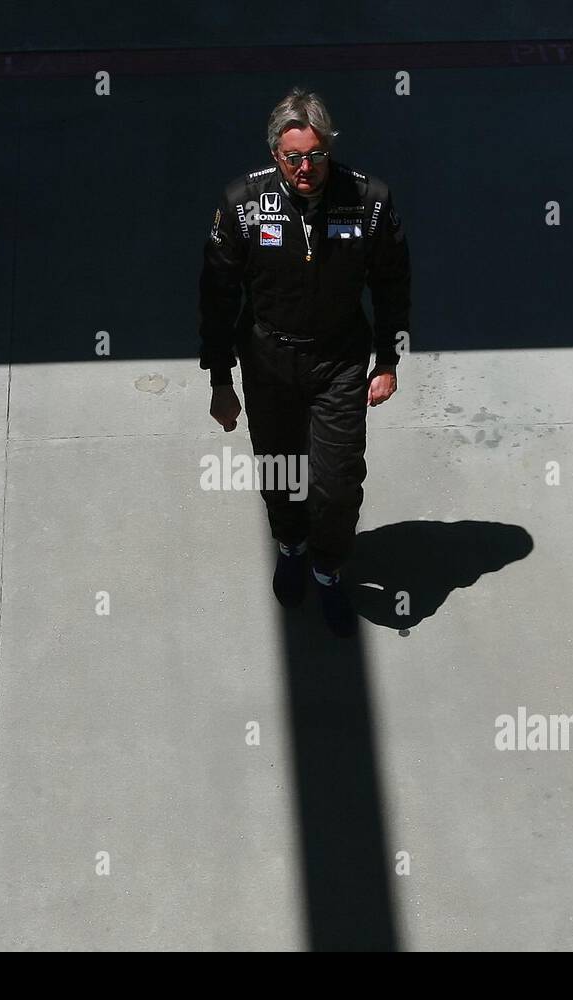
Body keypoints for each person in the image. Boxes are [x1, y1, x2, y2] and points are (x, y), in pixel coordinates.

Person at [199, 87, 410, 637]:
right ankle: (291, 544)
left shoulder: (370, 201)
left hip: (339, 361)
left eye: (316, 155)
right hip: (268, 360)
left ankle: (326, 569)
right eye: (293, 158)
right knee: (281, 472)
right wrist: (221, 380)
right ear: (276, 155)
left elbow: (392, 284)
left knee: (337, 484)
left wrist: (387, 359)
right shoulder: (242, 203)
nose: (306, 168)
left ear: (328, 149)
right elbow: (217, 295)